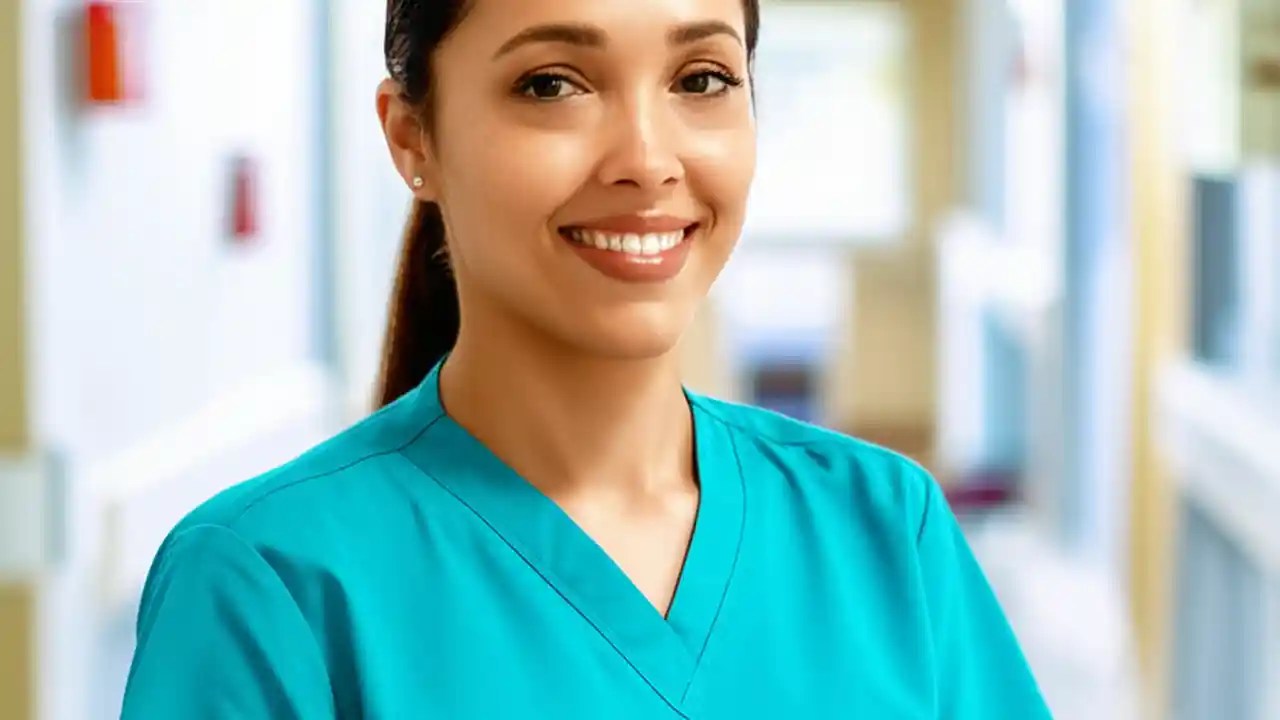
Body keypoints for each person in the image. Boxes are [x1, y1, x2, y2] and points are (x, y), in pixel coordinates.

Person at [120, 0, 1051, 717]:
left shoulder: (885, 528)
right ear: (414, 137)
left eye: (701, 79)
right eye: (553, 84)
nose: (647, 160)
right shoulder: (270, 581)